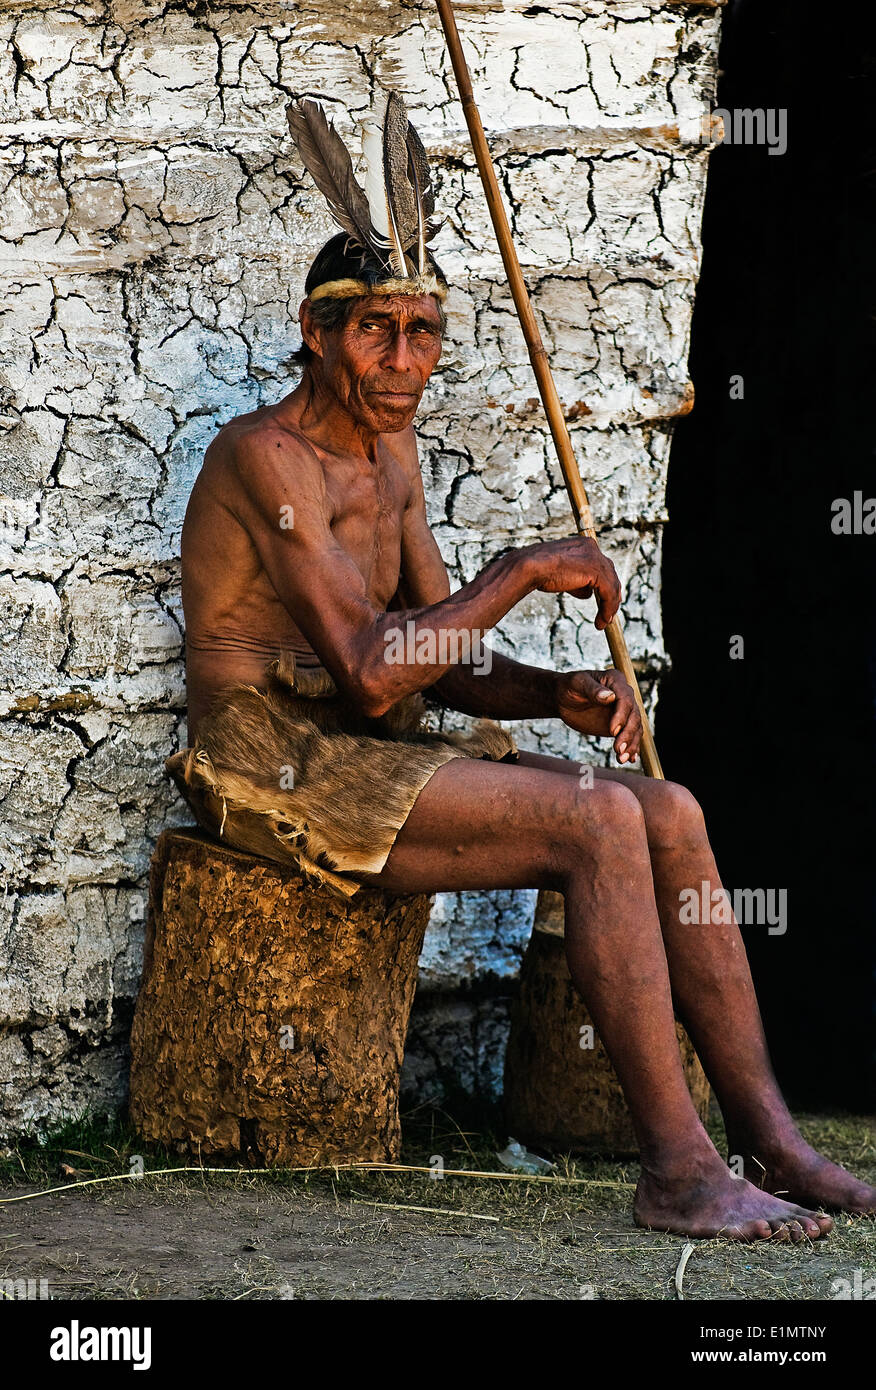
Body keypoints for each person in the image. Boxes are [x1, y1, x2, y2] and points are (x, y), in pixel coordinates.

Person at [168, 95, 875, 1240]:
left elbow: (435, 662)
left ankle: (774, 1138)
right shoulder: (264, 459)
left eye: (424, 333)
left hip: (360, 744)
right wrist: (524, 566)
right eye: (373, 332)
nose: (403, 362)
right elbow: (369, 671)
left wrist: (552, 694)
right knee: (596, 823)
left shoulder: (387, 456)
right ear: (313, 330)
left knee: (673, 810)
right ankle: (678, 1172)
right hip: (272, 761)